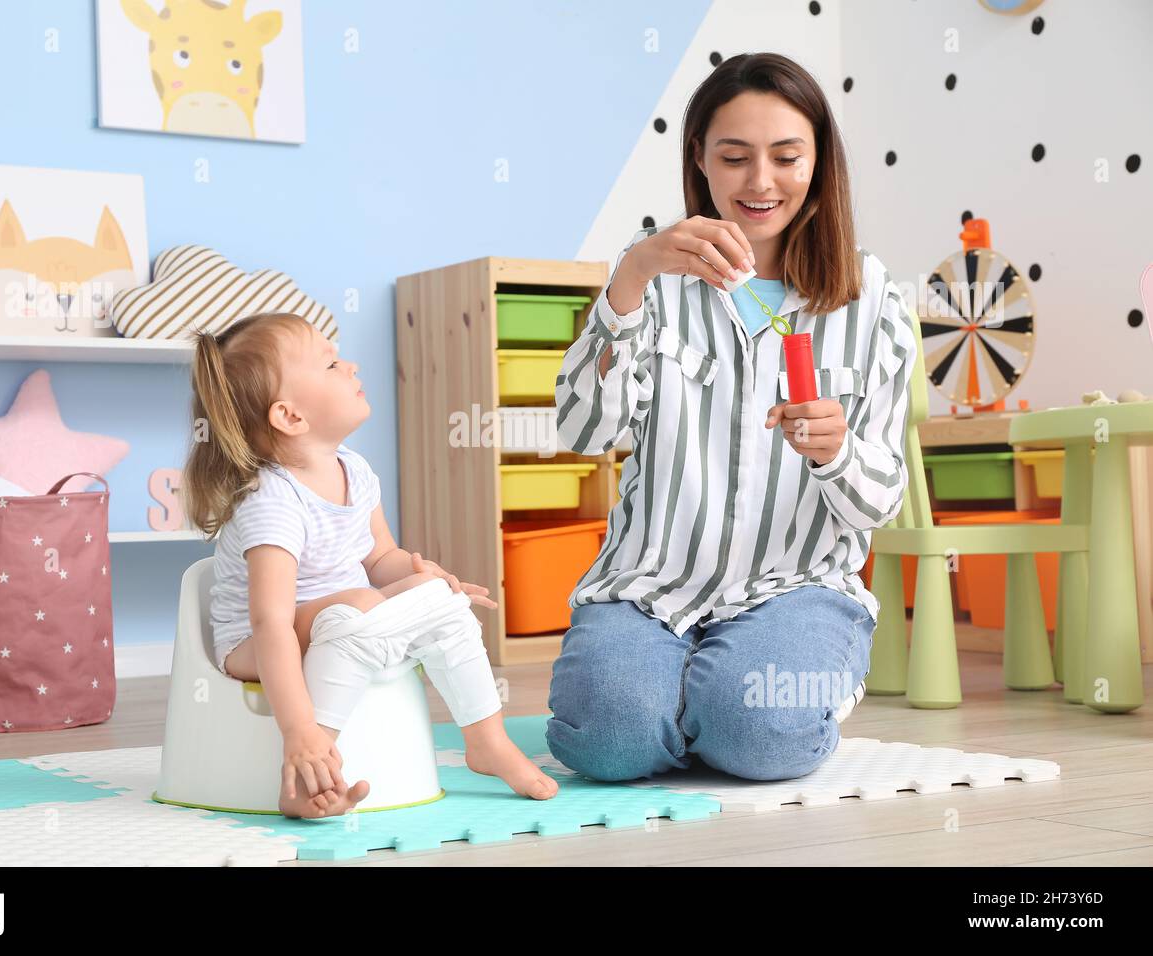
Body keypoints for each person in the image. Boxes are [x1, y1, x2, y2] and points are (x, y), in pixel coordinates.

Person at [547, 52, 918, 783]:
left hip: (798, 584)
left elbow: (882, 501)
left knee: (763, 740)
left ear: (819, 161)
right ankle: (684, 694)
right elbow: (582, 432)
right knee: (604, 742)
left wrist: (837, 451)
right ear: (700, 159)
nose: (760, 182)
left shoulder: (872, 297)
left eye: (786, 157)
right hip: (649, 583)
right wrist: (627, 283)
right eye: (734, 156)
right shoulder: (652, 278)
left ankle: (722, 697)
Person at [183, 312, 558, 818]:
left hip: (350, 622)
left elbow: (380, 557)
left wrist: (421, 575)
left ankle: (486, 741)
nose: (352, 366)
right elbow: (269, 621)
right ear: (290, 417)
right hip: (255, 644)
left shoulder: (354, 472)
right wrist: (300, 731)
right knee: (354, 609)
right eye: (332, 363)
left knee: (443, 603)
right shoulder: (271, 501)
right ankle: (308, 773)